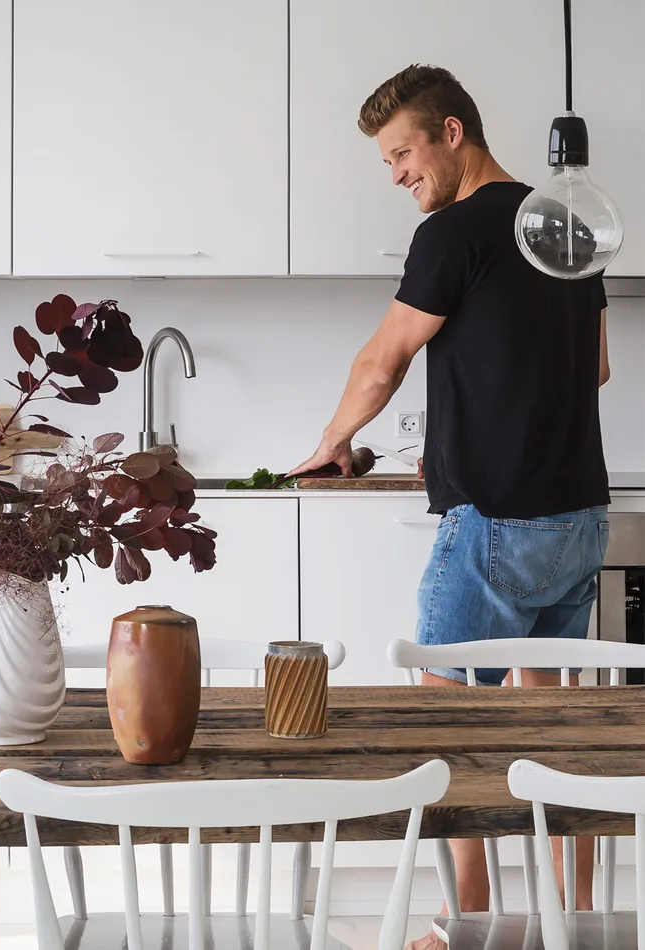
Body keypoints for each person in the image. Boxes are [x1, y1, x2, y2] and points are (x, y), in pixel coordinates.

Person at [290, 66, 611, 938]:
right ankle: (578, 923)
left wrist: (331, 443)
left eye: (403, 153)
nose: (397, 173)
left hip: (496, 522)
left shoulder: (451, 232)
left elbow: (383, 360)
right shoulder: (568, 223)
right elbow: (596, 368)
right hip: (578, 519)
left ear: (453, 132)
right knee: (554, 734)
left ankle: (458, 926)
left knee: (444, 726)